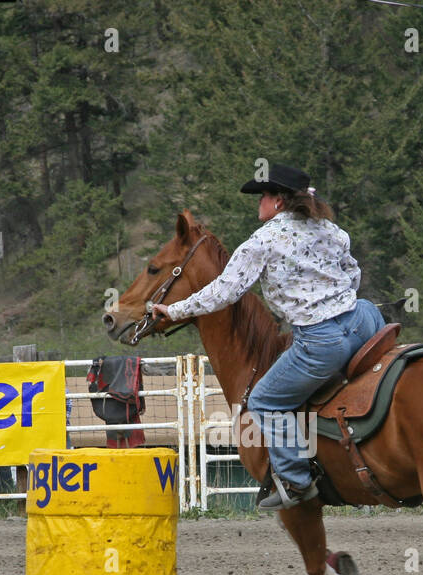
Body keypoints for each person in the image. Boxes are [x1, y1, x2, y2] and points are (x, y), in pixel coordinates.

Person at [152, 163, 383, 510]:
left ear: (278, 202)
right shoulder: (332, 231)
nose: (258, 202)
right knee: (366, 322)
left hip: (321, 341)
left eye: (262, 195)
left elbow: (225, 291)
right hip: (364, 319)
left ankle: (295, 480)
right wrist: (338, 306)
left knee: (263, 402)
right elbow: (353, 272)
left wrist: (174, 310)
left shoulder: (262, 242)